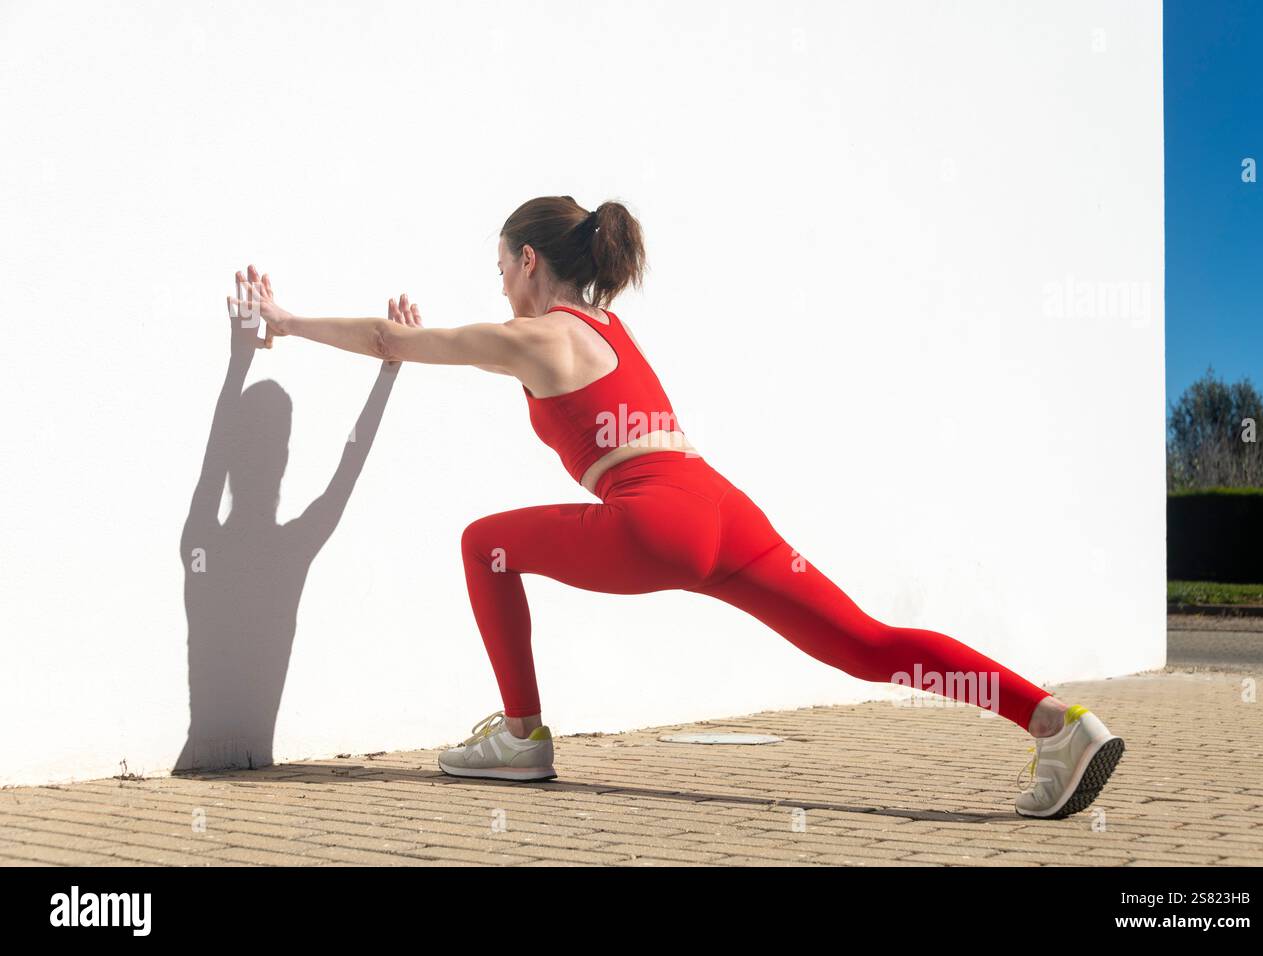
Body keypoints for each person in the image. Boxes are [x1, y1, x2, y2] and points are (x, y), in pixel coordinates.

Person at [229, 195, 1124, 819]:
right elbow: (410, 345)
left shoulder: (537, 334)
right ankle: (1057, 723)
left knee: (483, 546)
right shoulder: (609, 328)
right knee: (864, 644)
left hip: (654, 520)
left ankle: (520, 735)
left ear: (530, 261)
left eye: (501, 268)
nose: (499, 285)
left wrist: (287, 319)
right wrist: (406, 347)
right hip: (723, 509)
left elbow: (398, 340)